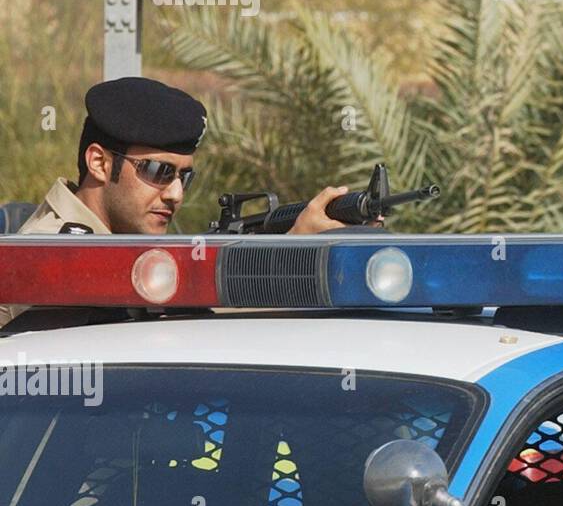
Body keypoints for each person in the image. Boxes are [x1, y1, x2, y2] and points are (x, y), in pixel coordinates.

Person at [1, 76, 367, 325]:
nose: (176, 194)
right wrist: (290, 256)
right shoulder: (57, 254)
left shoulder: (121, 246)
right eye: (159, 171)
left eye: (183, 176)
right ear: (99, 163)